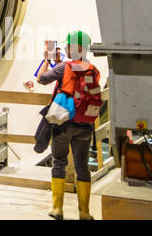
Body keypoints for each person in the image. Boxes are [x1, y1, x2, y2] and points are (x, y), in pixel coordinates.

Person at [32, 29, 104, 219]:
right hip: (86, 126)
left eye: (67, 46)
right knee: (82, 166)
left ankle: (57, 209)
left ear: (76, 48)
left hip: (64, 124)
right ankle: (85, 212)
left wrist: (47, 60)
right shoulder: (93, 69)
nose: (64, 48)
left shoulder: (64, 67)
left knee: (59, 163)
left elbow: (41, 79)